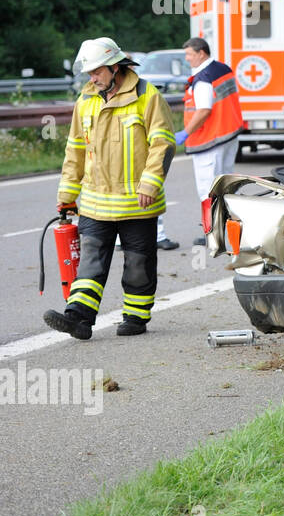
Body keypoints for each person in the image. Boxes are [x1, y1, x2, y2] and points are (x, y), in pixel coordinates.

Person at [43, 38, 176, 340]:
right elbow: (74, 151)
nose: (92, 78)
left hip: (137, 202)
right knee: (91, 261)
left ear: (115, 67)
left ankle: (136, 316)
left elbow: (163, 144)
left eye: (97, 71)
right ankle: (77, 318)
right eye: (89, 73)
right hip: (95, 202)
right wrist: (66, 197)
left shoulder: (147, 96)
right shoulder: (86, 99)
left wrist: (150, 184)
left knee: (138, 264)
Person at [177, 37, 245, 245]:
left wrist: (185, 132)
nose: (187, 59)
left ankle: (212, 234)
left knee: (208, 190)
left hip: (210, 140)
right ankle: (231, 231)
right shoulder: (222, 69)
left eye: (189, 54)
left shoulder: (203, 78)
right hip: (228, 134)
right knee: (226, 186)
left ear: (201, 53)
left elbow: (204, 109)